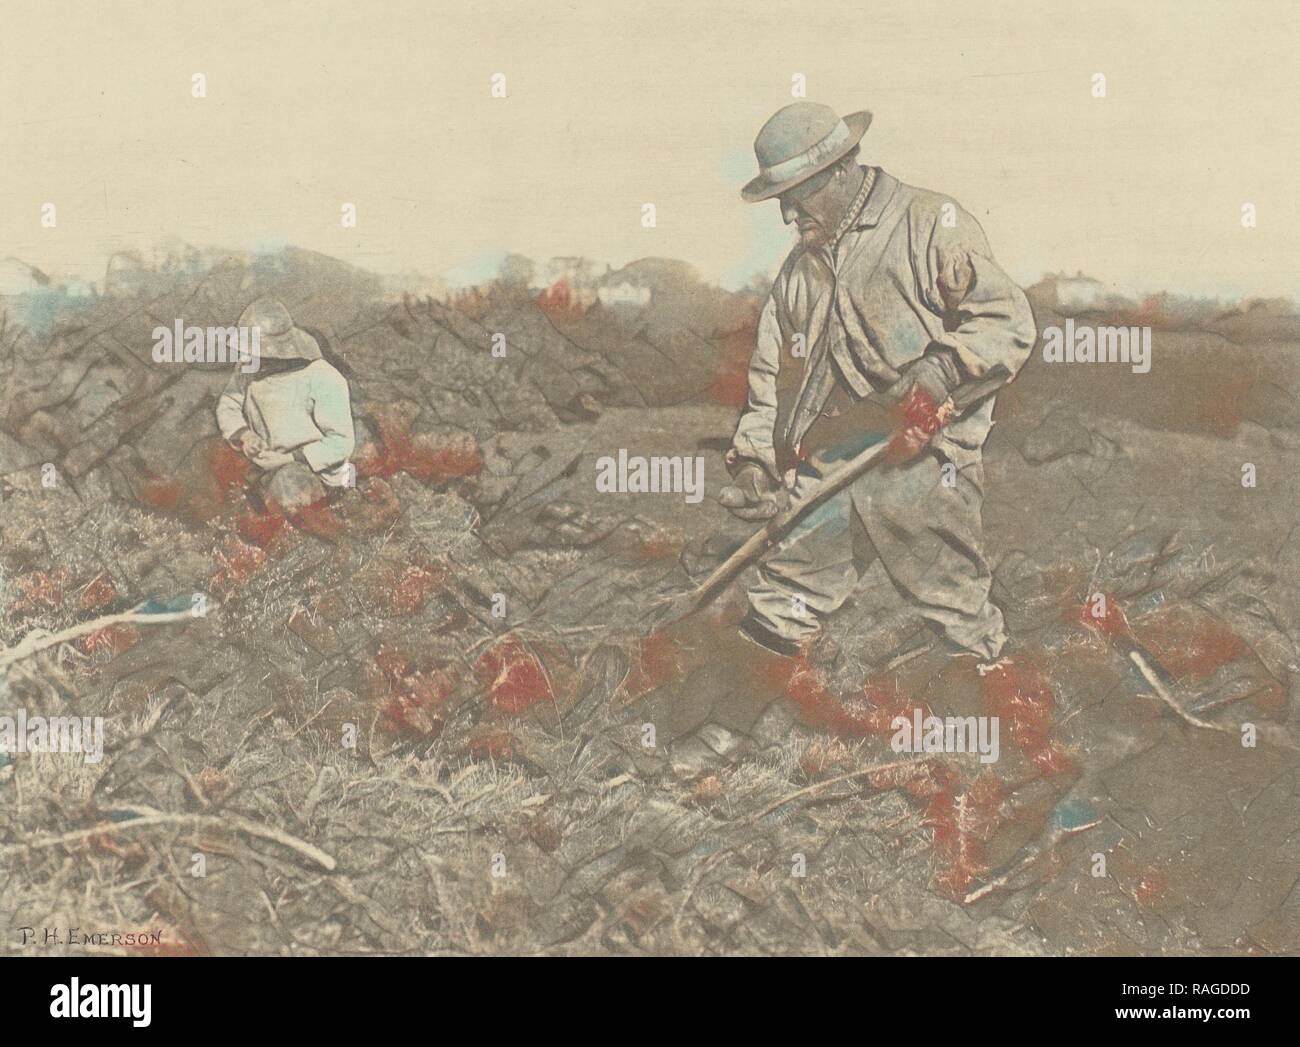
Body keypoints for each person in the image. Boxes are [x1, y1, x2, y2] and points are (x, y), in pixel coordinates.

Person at [720, 101, 1037, 664]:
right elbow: (771, 377)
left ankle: (997, 731)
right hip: (835, 465)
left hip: (924, 457)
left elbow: (1006, 319)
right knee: (781, 602)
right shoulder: (799, 274)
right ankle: (723, 740)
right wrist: (754, 462)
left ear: (842, 171)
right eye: (782, 201)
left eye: (797, 196)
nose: (789, 215)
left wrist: (941, 371)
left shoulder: (929, 223)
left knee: (955, 612)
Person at [216, 298, 356, 514]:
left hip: (324, 476)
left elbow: (341, 442)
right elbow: (228, 405)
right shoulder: (248, 371)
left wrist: (290, 458)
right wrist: (246, 436)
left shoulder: (321, 376)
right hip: (267, 464)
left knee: (290, 488)